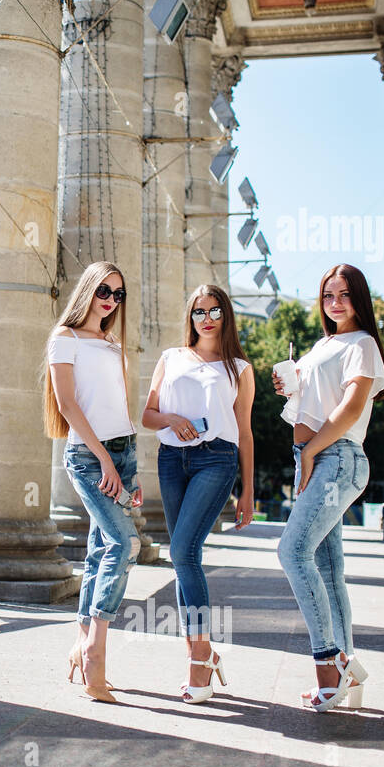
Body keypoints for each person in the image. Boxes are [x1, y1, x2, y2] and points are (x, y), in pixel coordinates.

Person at [272, 263, 384, 712]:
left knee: (291, 552)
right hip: (320, 459)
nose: (335, 303)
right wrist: (290, 386)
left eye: (344, 294)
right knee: (327, 568)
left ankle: (328, 661)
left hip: (336, 459)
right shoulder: (325, 344)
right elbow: (313, 400)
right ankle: (350, 672)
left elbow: (349, 408)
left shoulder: (362, 345)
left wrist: (311, 453)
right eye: (327, 296)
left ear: (359, 299)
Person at [142, 285, 255, 704]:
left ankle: (201, 657)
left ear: (225, 316)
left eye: (214, 311)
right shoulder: (171, 358)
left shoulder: (239, 368)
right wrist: (172, 417)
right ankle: (197, 654)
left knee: (184, 553)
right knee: (181, 555)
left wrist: (248, 492)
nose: (206, 319)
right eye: (198, 312)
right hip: (172, 459)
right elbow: (147, 415)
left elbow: (245, 433)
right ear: (190, 318)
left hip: (217, 461)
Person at [44, 260, 141, 703]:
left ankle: (79, 642)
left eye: (118, 294)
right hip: (89, 456)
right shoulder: (64, 339)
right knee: (125, 544)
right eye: (104, 289)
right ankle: (95, 652)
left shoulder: (111, 343)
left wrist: (128, 472)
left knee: (101, 548)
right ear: (87, 289)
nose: (110, 299)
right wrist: (104, 460)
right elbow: (67, 405)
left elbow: (117, 406)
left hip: (124, 451)